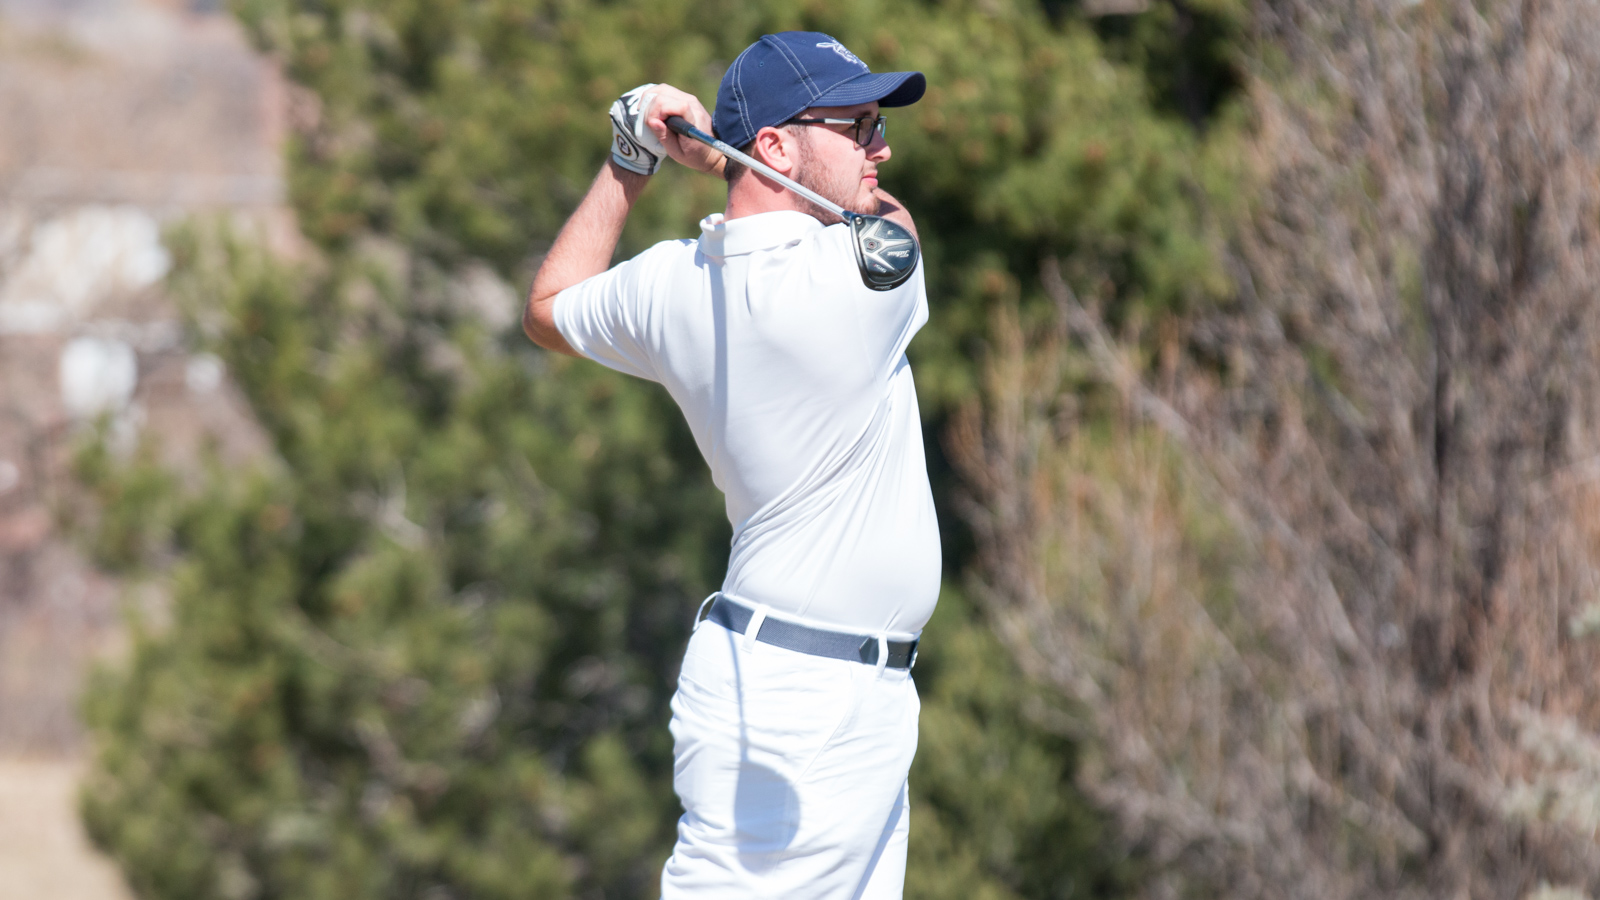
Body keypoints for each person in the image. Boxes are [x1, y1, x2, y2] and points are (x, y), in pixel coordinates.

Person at [522, 31, 939, 899]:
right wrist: (723, 166)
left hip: (832, 697)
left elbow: (550, 306)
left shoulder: (671, 284)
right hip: (801, 707)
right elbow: (893, 226)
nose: (880, 146)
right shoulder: (853, 279)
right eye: (857, 125)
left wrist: (630, 163)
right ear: (778, 148)